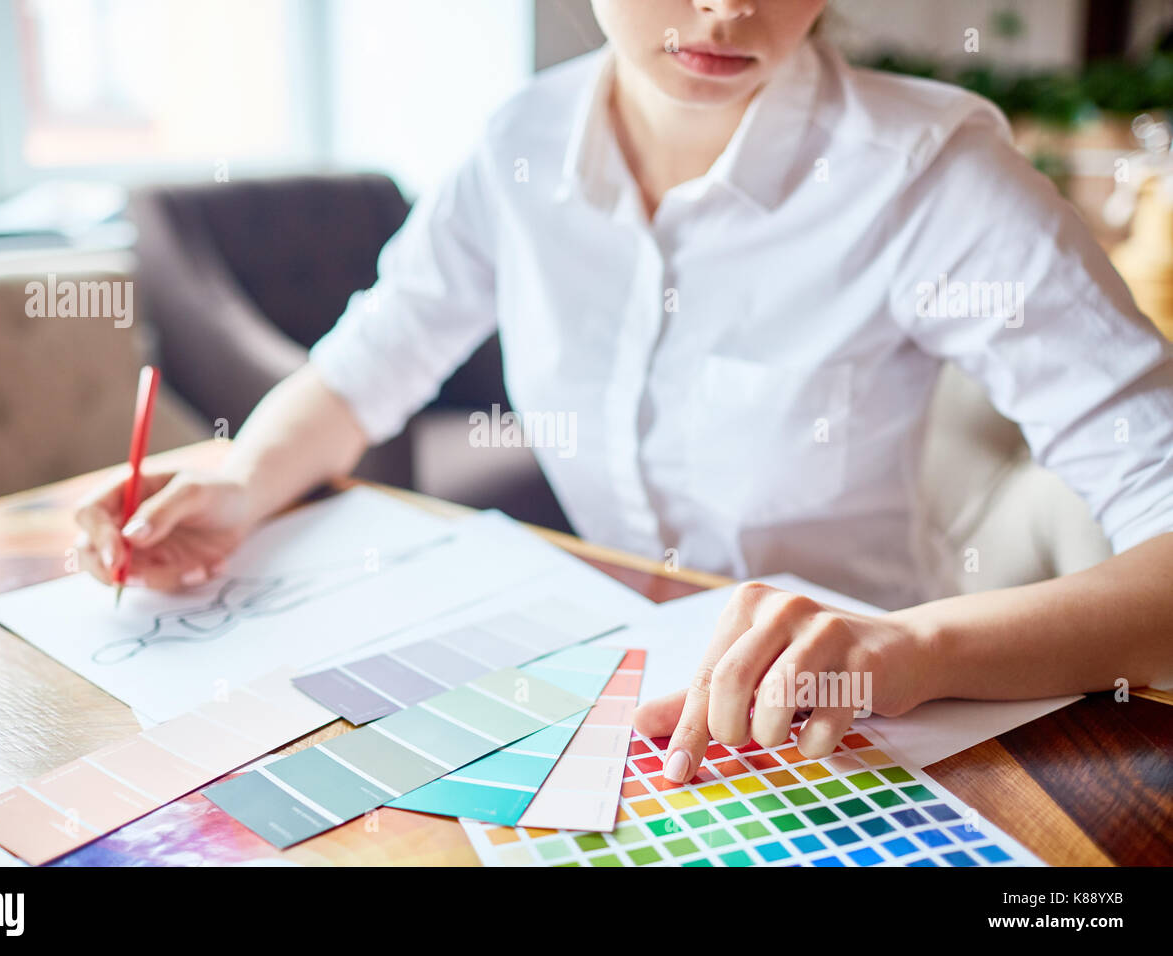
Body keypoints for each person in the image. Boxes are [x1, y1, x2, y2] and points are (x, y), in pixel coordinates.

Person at [75, 0, 1173, 785]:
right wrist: (239, 483)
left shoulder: (928, 174)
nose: (727, 8)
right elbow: (366, 367)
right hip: (609, 704)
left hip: (871, 730)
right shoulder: (522, 142)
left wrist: (921, 648)